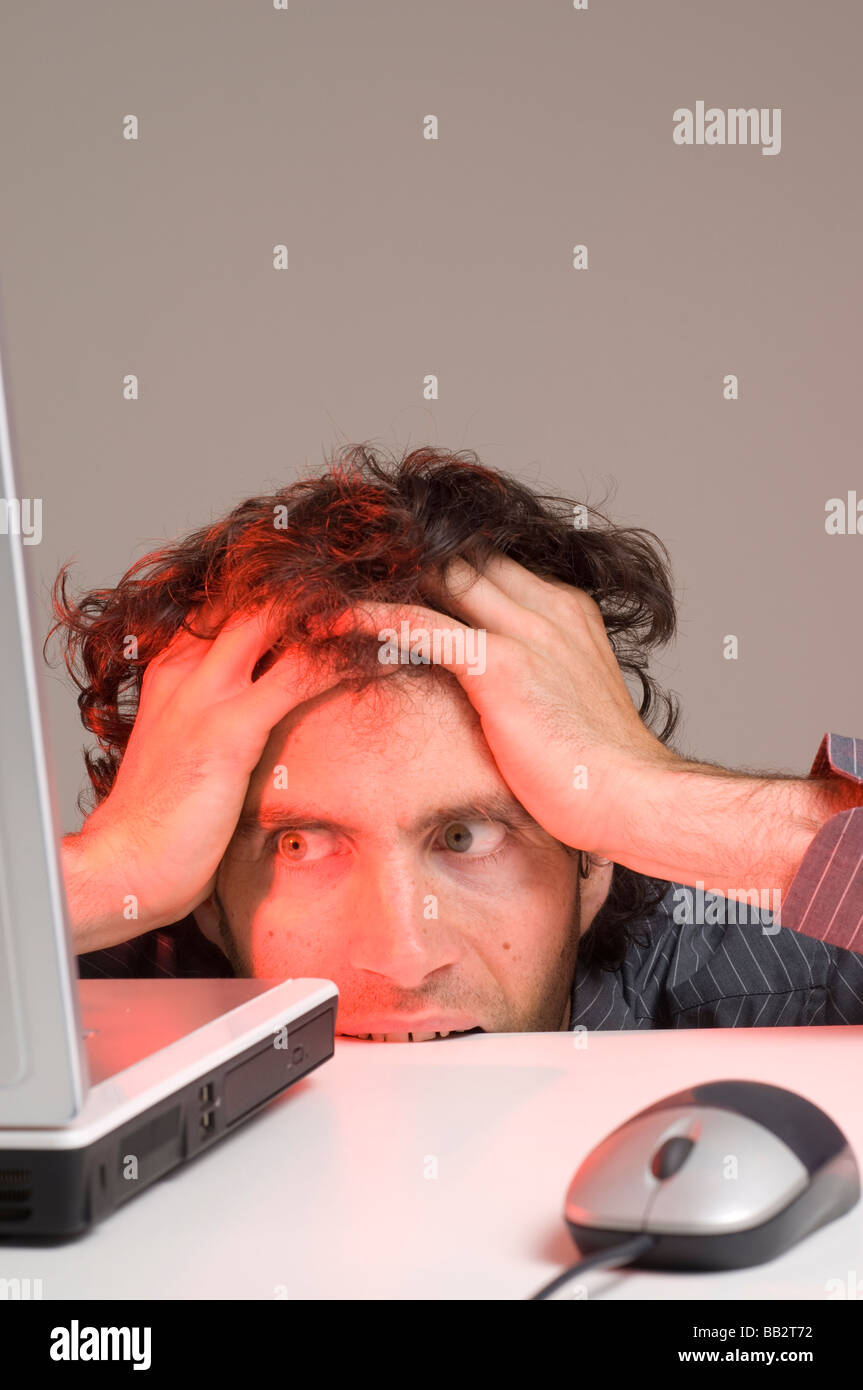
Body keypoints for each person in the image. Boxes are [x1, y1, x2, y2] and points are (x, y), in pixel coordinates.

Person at [54, 445, 863, 1035]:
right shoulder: (78, 991)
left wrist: (647, 798)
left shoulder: (780, 996)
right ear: (204, 893)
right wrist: (102, 877)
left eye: (465, 837)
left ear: (593, 864)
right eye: (299, 844)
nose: (403, 957)